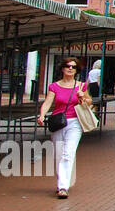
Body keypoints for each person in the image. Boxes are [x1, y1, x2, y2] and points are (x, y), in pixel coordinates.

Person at [37, 58, 92, 199]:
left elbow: (89, 101)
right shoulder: (54, 86)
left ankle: (63, 187)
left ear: (76, 70)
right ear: (62, 69)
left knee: (68, 153)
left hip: (75, 122)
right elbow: (48, 102)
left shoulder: (81, 86)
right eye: (67, 66)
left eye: (73, 67)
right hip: (58, 122)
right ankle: (60, 183)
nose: (70, 69)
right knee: (59, 154)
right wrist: (42, 115)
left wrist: (82, 98)